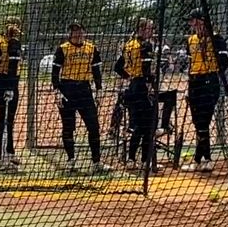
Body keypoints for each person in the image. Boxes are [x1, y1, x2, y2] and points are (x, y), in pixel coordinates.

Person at [52, 21, 108, 173]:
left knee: (94, 126)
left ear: (84, 32)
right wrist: (56, 91)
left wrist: (99, 89)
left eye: (79, 31)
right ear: (70, 33)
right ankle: (71, 160)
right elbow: (55, 72)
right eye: (73, 31)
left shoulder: (91, 48)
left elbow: (96, 71)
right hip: (67, 89)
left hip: (84, 89)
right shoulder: (63, 49)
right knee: (68, 127)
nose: (77, 34)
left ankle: (96, 161)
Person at [181, 9, 228, 173]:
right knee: (197, 122)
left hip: (210, 80)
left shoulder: (217, 39)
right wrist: (189, 88)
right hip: (195, 81)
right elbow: (190, 66)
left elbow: (224, 62)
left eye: (194, 21)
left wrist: (212, 70)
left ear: (202, 21)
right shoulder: (191, 40)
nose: (192, 25)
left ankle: (201, 159)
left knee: (204, 120)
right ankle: (203, 158)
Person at [114, 17, 157, 170]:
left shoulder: (128, 44)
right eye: (149, 29)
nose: (151, 32)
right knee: (147, 125)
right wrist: (150, 83)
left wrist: (129, 76)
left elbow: (118, 67)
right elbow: (146, 68)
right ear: (141, 29)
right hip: (142, 87)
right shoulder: (146, 45)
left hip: (133, 87)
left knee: (137, 124)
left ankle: (132, 158)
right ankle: (144, 160)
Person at [0, 16, 23, 168]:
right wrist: (10, 86)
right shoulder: (12, 43)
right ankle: (3, 157)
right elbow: (12, 66)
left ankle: (9, 152)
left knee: (7, 118)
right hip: (6, 81)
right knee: (5, 118)